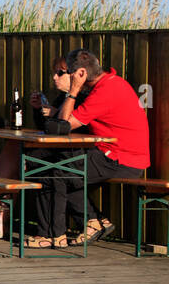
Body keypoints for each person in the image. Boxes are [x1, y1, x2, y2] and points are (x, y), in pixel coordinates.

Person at [28, 49, 149, 248]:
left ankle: (53, 235)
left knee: (57, 171)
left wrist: (73, 91)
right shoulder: (107, 84)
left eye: (68, 72)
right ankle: (91, 222)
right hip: (111, 152)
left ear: (81, 74)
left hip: (121, 158)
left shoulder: (105, 91)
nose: (59, 77)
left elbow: (63, 125)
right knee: (51, 164)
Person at [0, 58, 71, 239]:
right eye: (54, 72)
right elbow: (47, 126)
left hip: (70, 153)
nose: (54, 77)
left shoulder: (78, 98)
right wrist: (39, 110)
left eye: (60, 73)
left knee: (18, 156)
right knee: (14, 147)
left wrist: (52, 113)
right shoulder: (63, 98)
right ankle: (0, 212)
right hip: (51, 149)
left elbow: (69, 128)